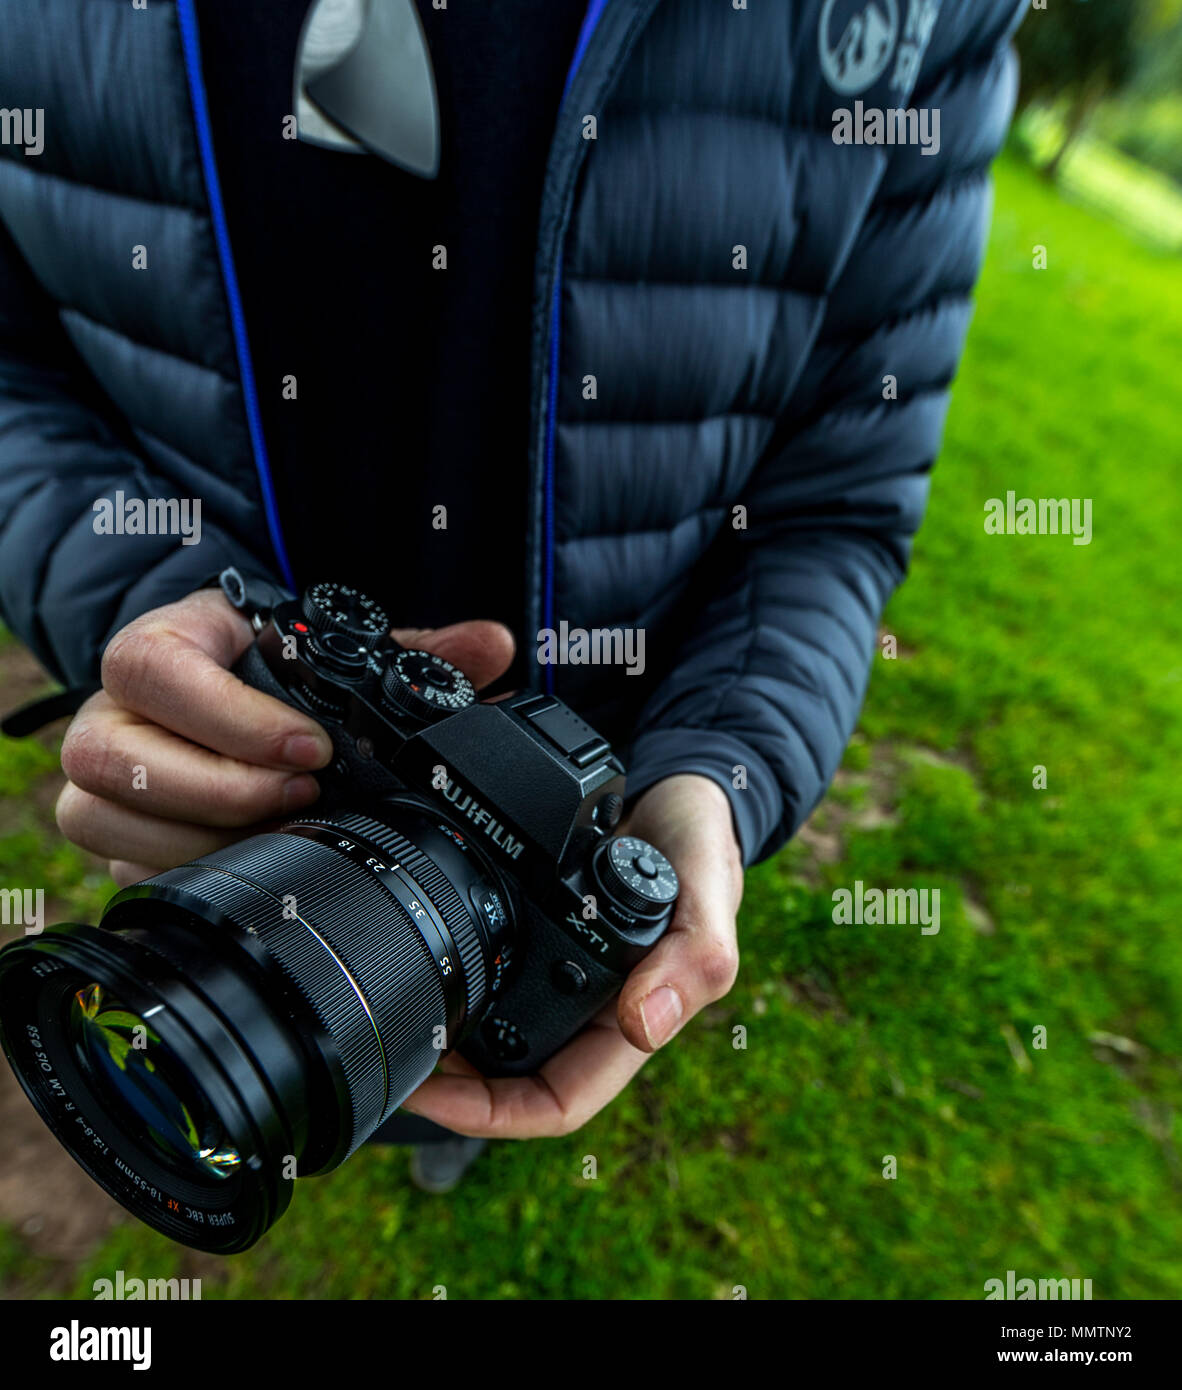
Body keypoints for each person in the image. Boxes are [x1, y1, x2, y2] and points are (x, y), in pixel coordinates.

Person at [0, 0, 1025, 1188]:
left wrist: (713, 775)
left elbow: (836, 503)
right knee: (293, 1035)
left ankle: (440, 1116)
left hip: (620, 749)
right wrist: (167, 612)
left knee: (447, 1073)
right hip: (263, 775)